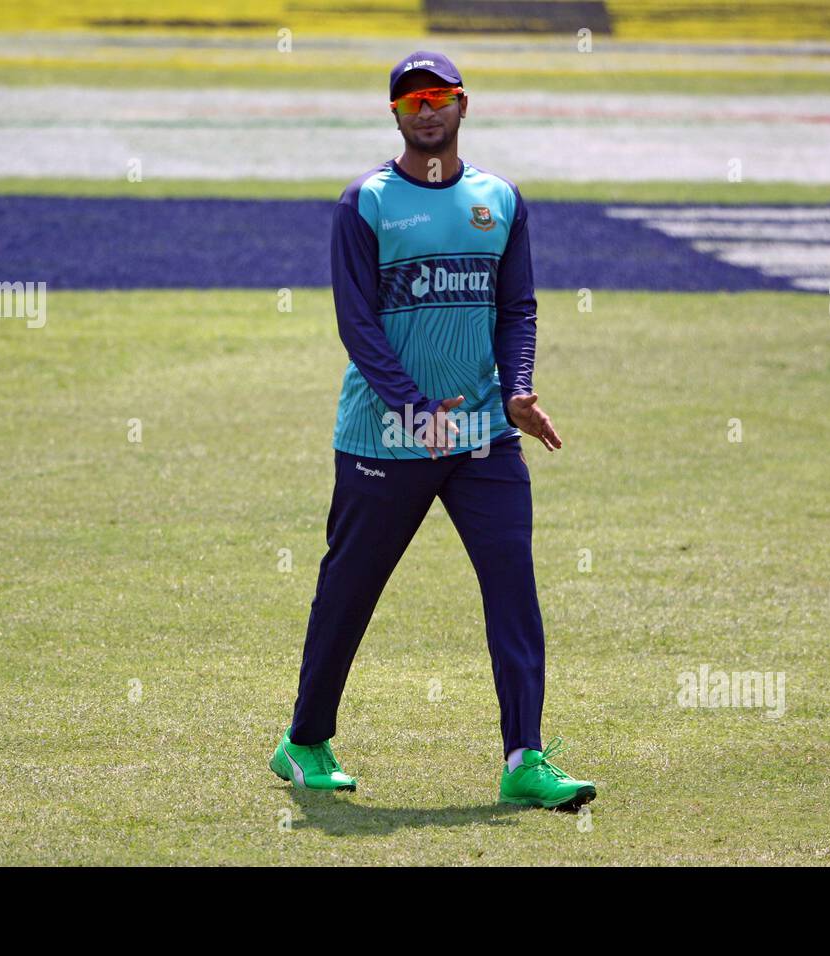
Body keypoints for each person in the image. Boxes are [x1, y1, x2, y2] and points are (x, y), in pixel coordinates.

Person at [269, 51, 595, 810]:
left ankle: (526, 758)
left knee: (513, 588)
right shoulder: (367, 203)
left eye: (439, 96)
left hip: (483, 436)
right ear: (395, 114)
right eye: (412, 99)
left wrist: (516, 390)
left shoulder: (501, 200)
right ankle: (305, 740)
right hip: (387, 438)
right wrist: (411, 406)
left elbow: (516, 308)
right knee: (349, 592)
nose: (427, 110)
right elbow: (358, 324)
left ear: (462, 105)